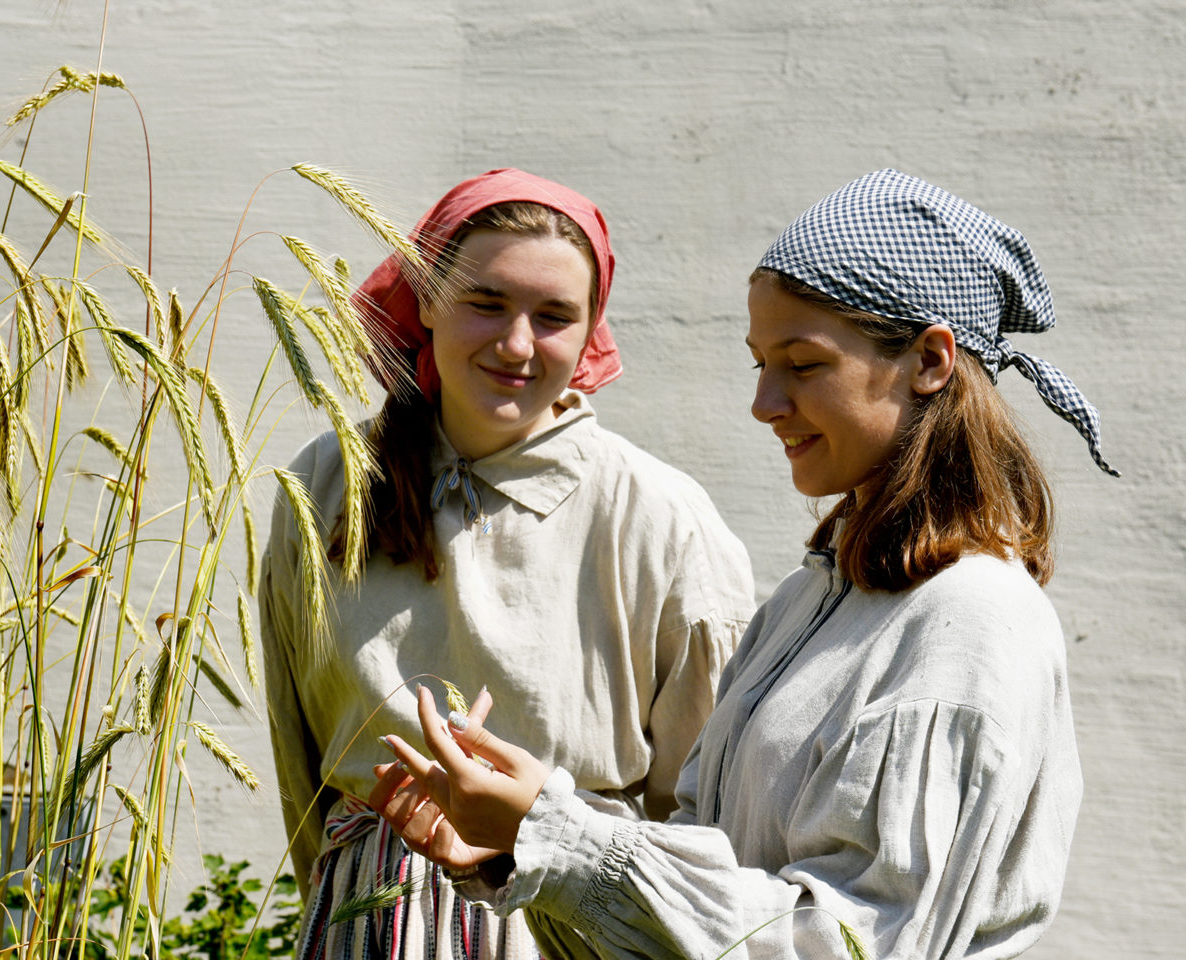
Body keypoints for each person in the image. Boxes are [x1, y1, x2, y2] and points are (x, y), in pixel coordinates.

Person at [371, 168, 1115, 959]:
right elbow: (715, 879)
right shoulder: (808, 599)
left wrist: (561, 836)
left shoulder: (969, 622)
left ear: (931, 361)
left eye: (802, 363)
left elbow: (859, 941)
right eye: (760, 362)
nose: (764, 402)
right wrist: (522, 848)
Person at [261, 168, 755, 960]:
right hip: (368, 926)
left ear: (591, 330)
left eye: (554, 317)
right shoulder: (329, 486)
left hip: (570, 930)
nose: (517, 345)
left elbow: (707, 806)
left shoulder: (662, 519)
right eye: (485, 303)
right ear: (425, 300)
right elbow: (302, 764)